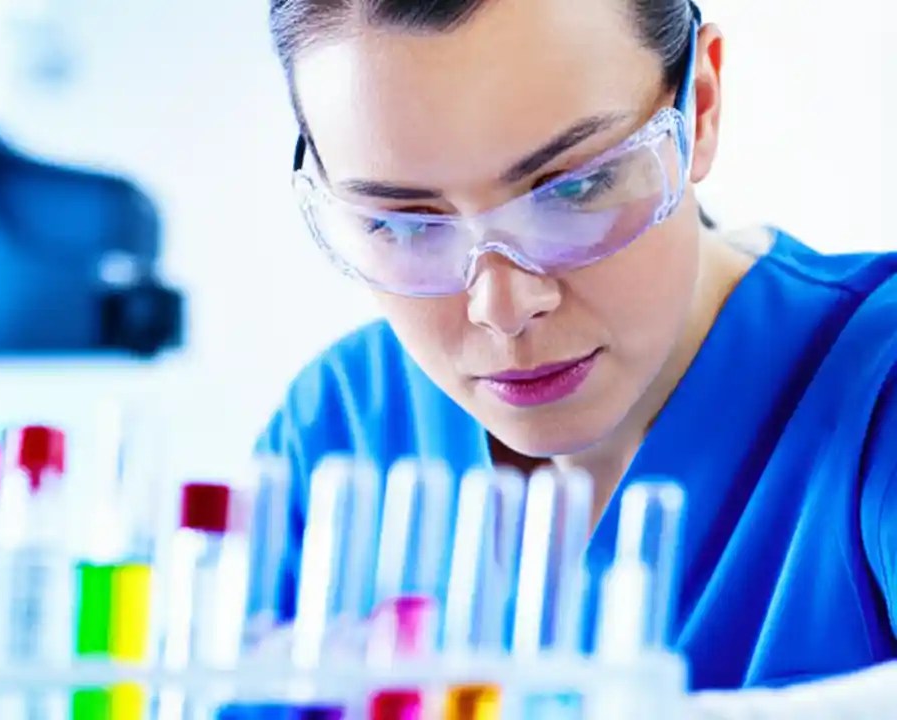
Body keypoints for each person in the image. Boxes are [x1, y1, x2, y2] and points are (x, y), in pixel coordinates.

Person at [254, 0, 897, 695]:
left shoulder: (875, 393)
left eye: (574, 189)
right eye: (405, 225)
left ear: (701, 107)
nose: (502, 309)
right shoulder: (343, 429)